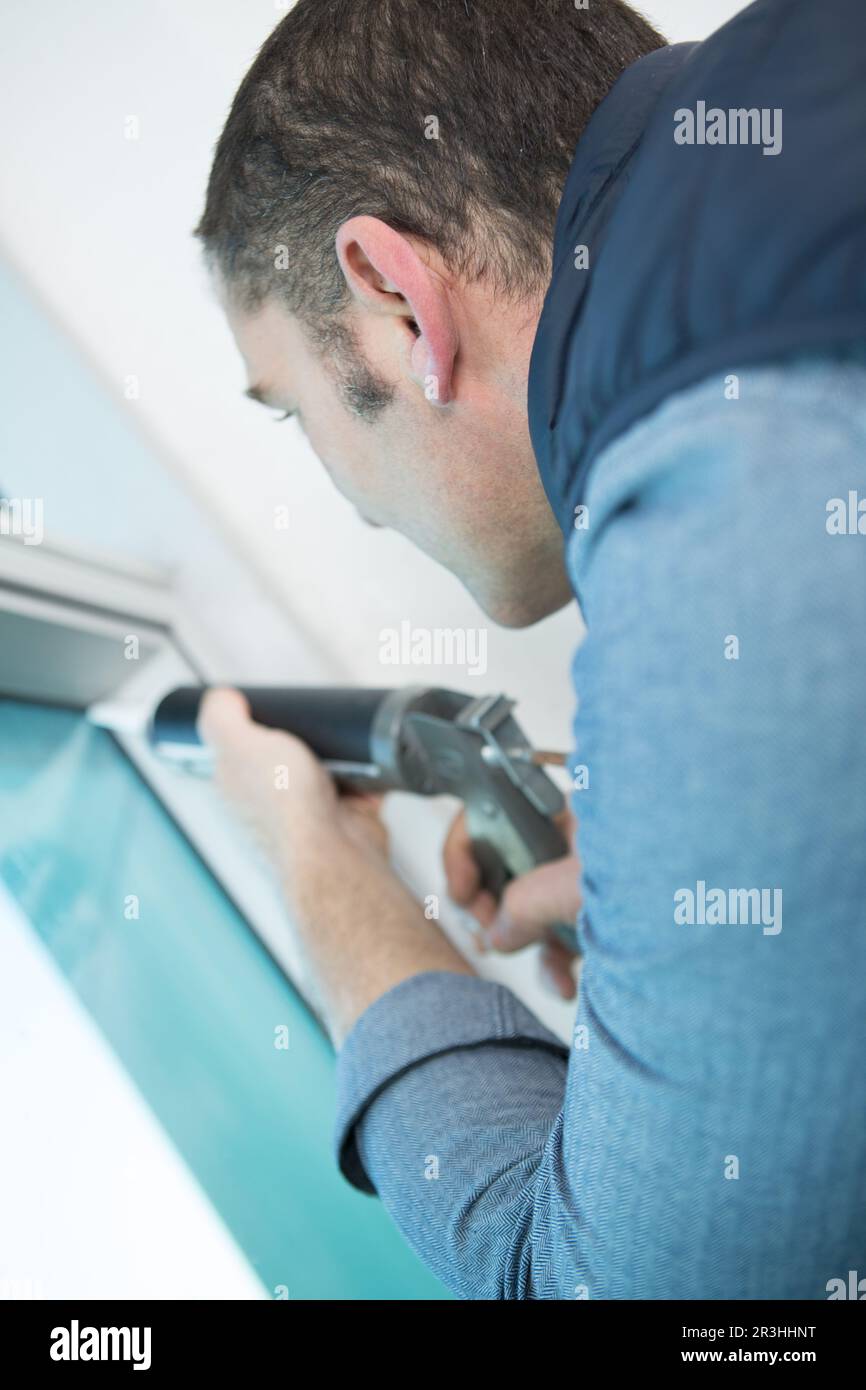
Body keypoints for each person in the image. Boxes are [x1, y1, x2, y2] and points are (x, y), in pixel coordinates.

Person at [193, 0, 866, 1298]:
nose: (348, 495)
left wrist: (326, 870)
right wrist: (701, 885)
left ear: (392, 295)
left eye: (292, 414)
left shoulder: (714, 482)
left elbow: (618, 1293)